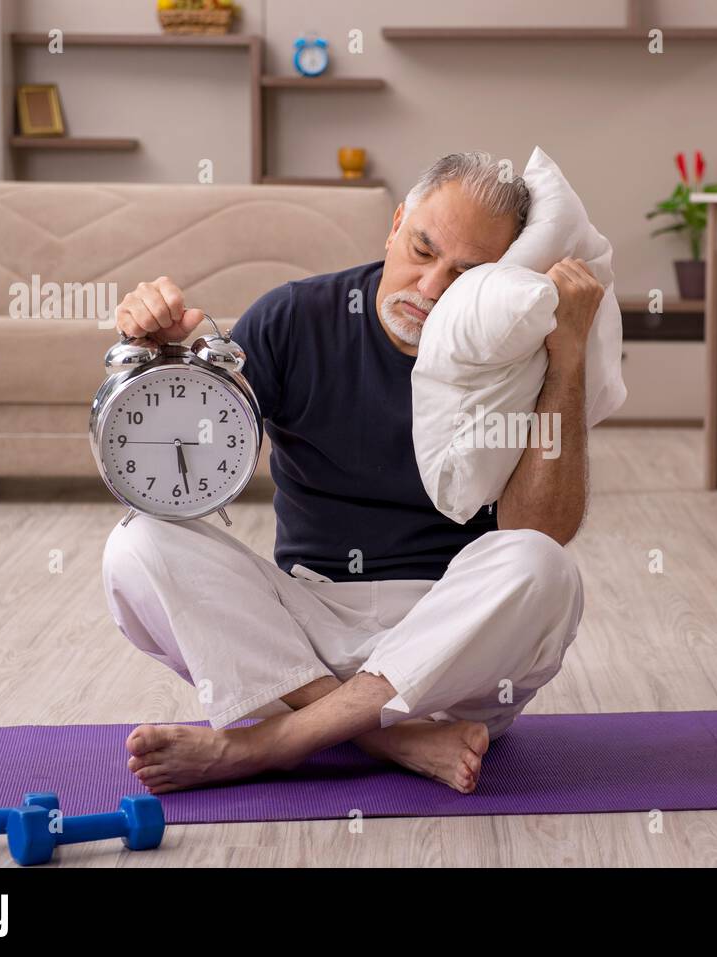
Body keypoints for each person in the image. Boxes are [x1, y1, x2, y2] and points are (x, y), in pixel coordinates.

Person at [102, 152, 604, 794]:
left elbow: (541, 529)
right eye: (421, 250)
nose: (429, 289)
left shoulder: (520, 352)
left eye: (465, 275)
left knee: (544, 567)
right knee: (136, 543)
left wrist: (568, 358)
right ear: (395, 225)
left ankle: (271, 743)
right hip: (304, 629)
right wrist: (162, 364)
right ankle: (387, 738)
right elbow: (182, 480)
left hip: (450, 646)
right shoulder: (295, 317)